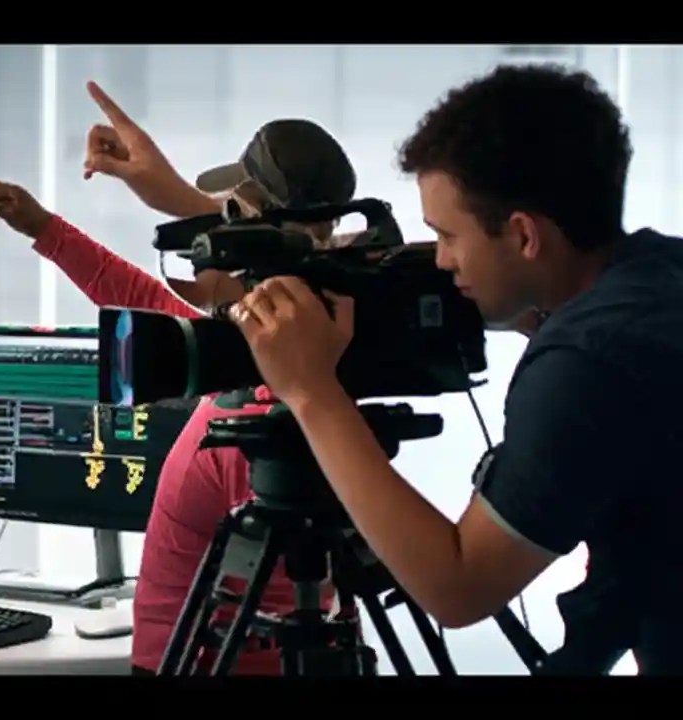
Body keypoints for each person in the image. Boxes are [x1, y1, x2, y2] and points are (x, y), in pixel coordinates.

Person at [227, 63, 683, 675]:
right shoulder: (659, 279)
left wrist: (311, 392)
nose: (440, 261)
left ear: (523, 236)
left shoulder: (587, 362)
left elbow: (458, 586)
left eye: (447, 236)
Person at [0, 81, 358, 675]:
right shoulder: (260, 361)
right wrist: (44, 226)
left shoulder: (284, 394)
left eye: (221, 222)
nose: (199, 253)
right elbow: (139, 297)